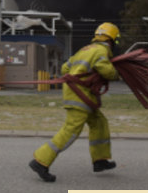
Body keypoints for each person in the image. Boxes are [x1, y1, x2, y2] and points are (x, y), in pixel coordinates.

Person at [29, 22, 122, 182]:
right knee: (71, 130)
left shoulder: (85, 49)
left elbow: (65, 68)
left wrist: (81, 73)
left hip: (81, 95)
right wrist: (116, 73)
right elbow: (106, 70)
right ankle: (40, 161)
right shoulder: (101, 51)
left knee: (99, 122)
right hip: (80, 96)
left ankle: (100, 161)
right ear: (112, 40)